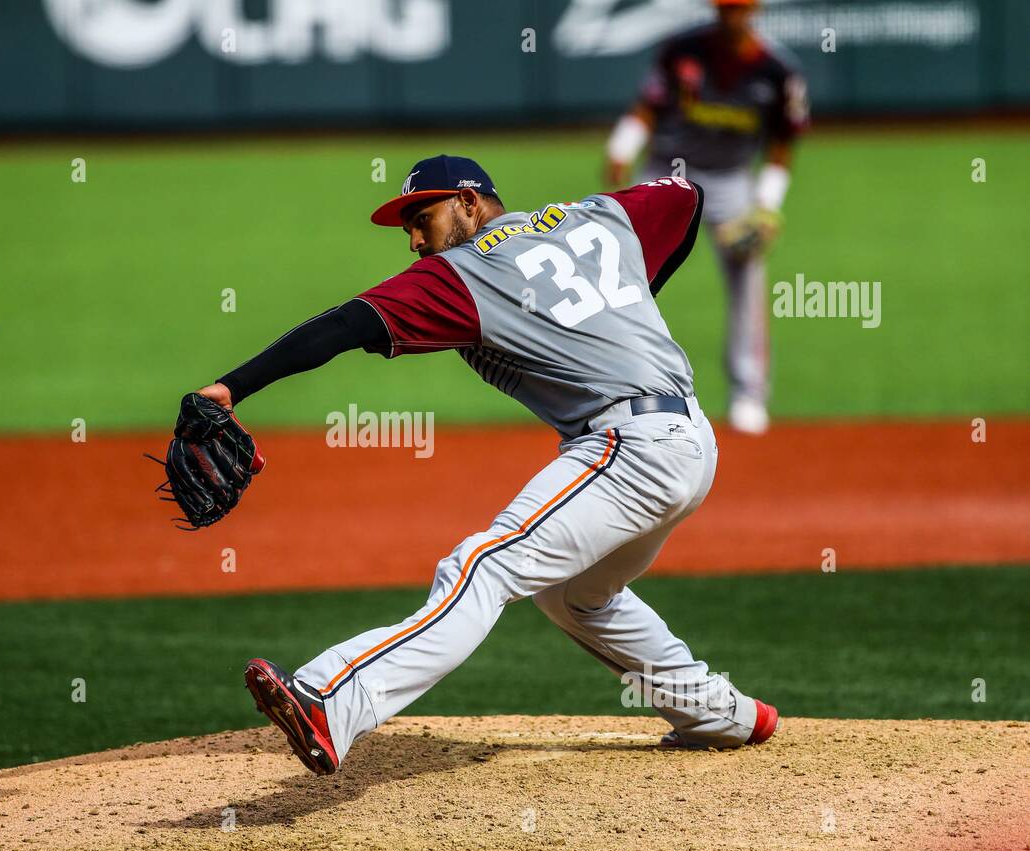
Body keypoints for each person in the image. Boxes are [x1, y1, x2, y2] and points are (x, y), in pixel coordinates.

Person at [196, 154, 778, 776]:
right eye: (407, 229)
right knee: (576, 596)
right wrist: (628, 299)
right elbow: (684, 197)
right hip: (688, 440)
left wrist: (231, 388)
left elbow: (345, 325)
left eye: (424, 217)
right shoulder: (597, 216)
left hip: (633, 450)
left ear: (470, 203)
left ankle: (333, 700)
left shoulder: (459, 275)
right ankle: (720, 713)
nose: (416, 240)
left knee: (482, 565)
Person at [605, 0, 809, 434]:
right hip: (664, 169)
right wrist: (622, 147)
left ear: (754, 10)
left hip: (730, 181)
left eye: (739, 7)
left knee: (747, 276)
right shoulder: (683, 50)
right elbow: (647, 106)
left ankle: (749, 394)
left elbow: (782, 145)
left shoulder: (778, 71)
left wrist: (767, 205)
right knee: (616, 271)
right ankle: (616, 388)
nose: (731, 14)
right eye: (725, 7)